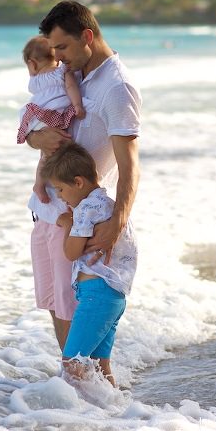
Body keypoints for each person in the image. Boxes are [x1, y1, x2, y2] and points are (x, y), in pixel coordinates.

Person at [22, 1, 141, 357]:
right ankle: (83, 396)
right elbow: (42, 123)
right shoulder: (74, 74)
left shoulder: (116, 88)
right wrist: (34, 138)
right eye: (52, 49)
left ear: (87, 36)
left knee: (74, 314)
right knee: (56, 306)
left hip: (75, 219)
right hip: (46, 212)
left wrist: (117, 220)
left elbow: (129, 164)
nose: (56, 56)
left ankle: (83, 397)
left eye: (62, 47)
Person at [40, 142, 137, 387]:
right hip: (114, 295)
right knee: (100, 364)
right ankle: (115, 410)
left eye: (61, 190)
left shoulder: (85, 209)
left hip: (96, 294)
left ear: (78, 182)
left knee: (72, 362)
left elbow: (71, 253)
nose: (61, 197)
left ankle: (81, 416)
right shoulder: (111, 206)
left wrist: (66, 223)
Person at [17, 36, 86, 206]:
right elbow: (71, 88)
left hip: (38, 119)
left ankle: (40, 185)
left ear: (32, 63)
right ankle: (48, 187)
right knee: (54, 153)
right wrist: (77, 106)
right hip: (56, 116)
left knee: (46, 155)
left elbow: (37, 98)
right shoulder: (63, 72)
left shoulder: (33, 81)